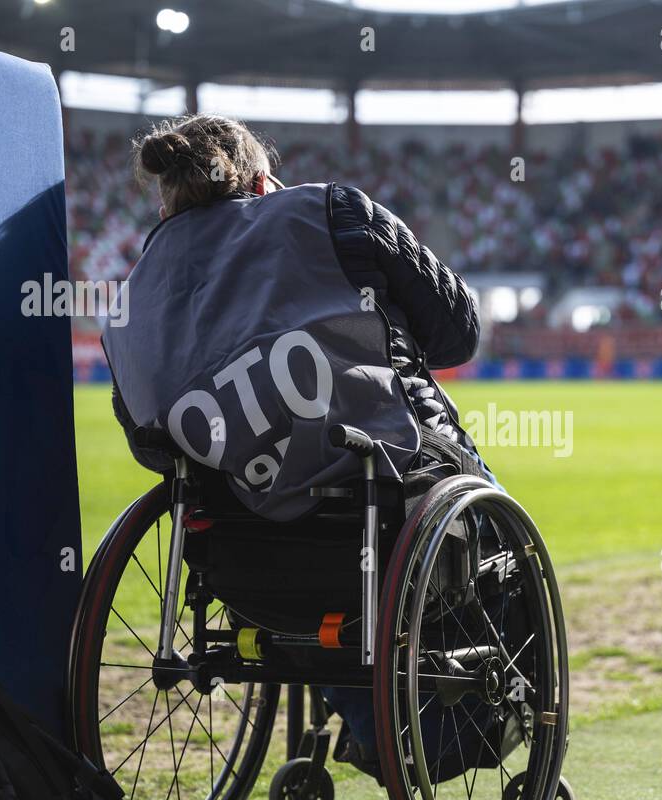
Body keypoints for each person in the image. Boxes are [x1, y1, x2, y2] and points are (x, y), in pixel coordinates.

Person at [104, 114, 493, 520]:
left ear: (166, 214)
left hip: (235, 528)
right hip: (395, 482)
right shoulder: (331, 208)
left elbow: (151, 451)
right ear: (261, 185)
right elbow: (458, 333)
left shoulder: (127, 305)